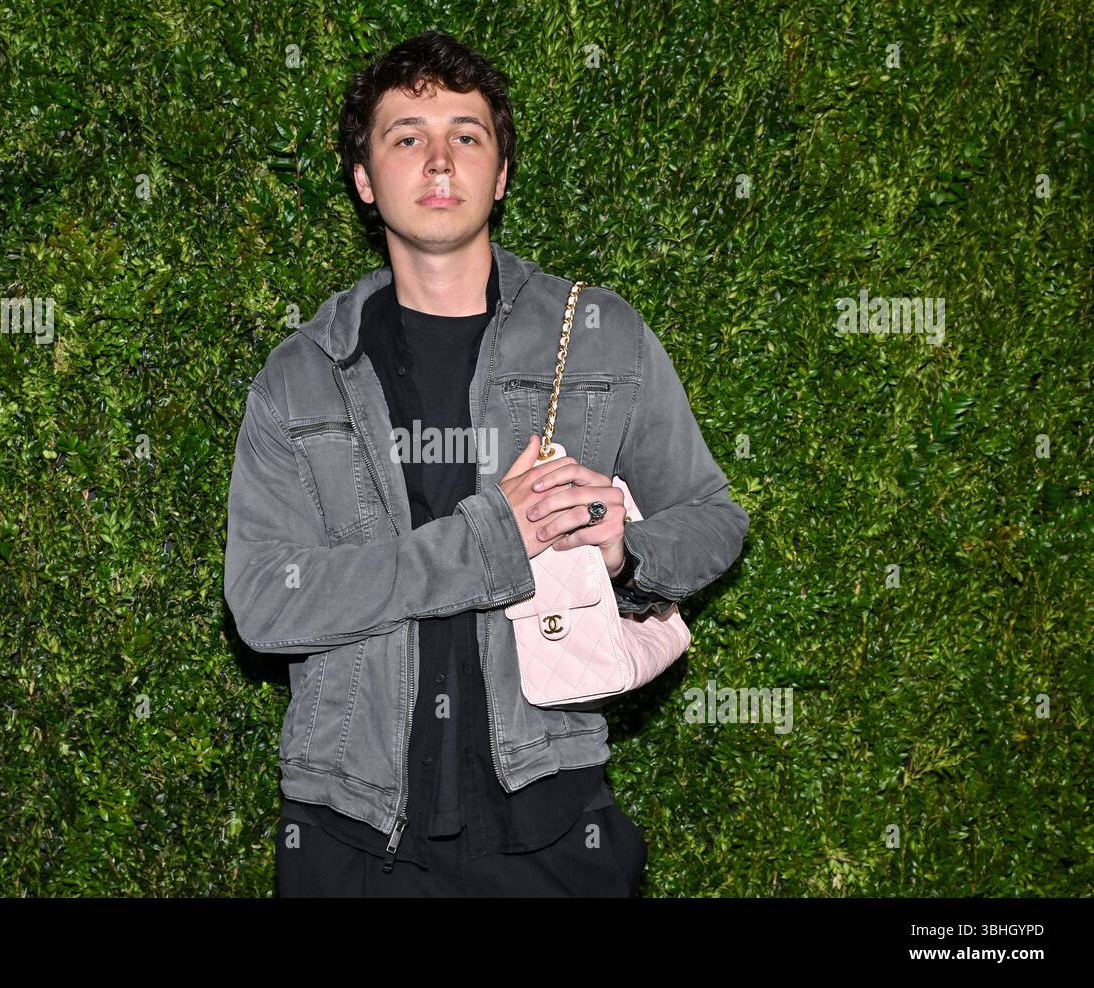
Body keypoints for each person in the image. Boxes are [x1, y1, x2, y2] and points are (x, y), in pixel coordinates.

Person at [223, 30, 749, 897]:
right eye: (405, 137)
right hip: (348, 831)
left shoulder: (601, 336)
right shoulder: (301, 373)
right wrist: (491, 541)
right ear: (363, 179)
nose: (438, 160)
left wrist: (628, 552)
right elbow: (265, 605)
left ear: (500, 175)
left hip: (550, 819)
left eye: (466, 135)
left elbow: (714, 519)